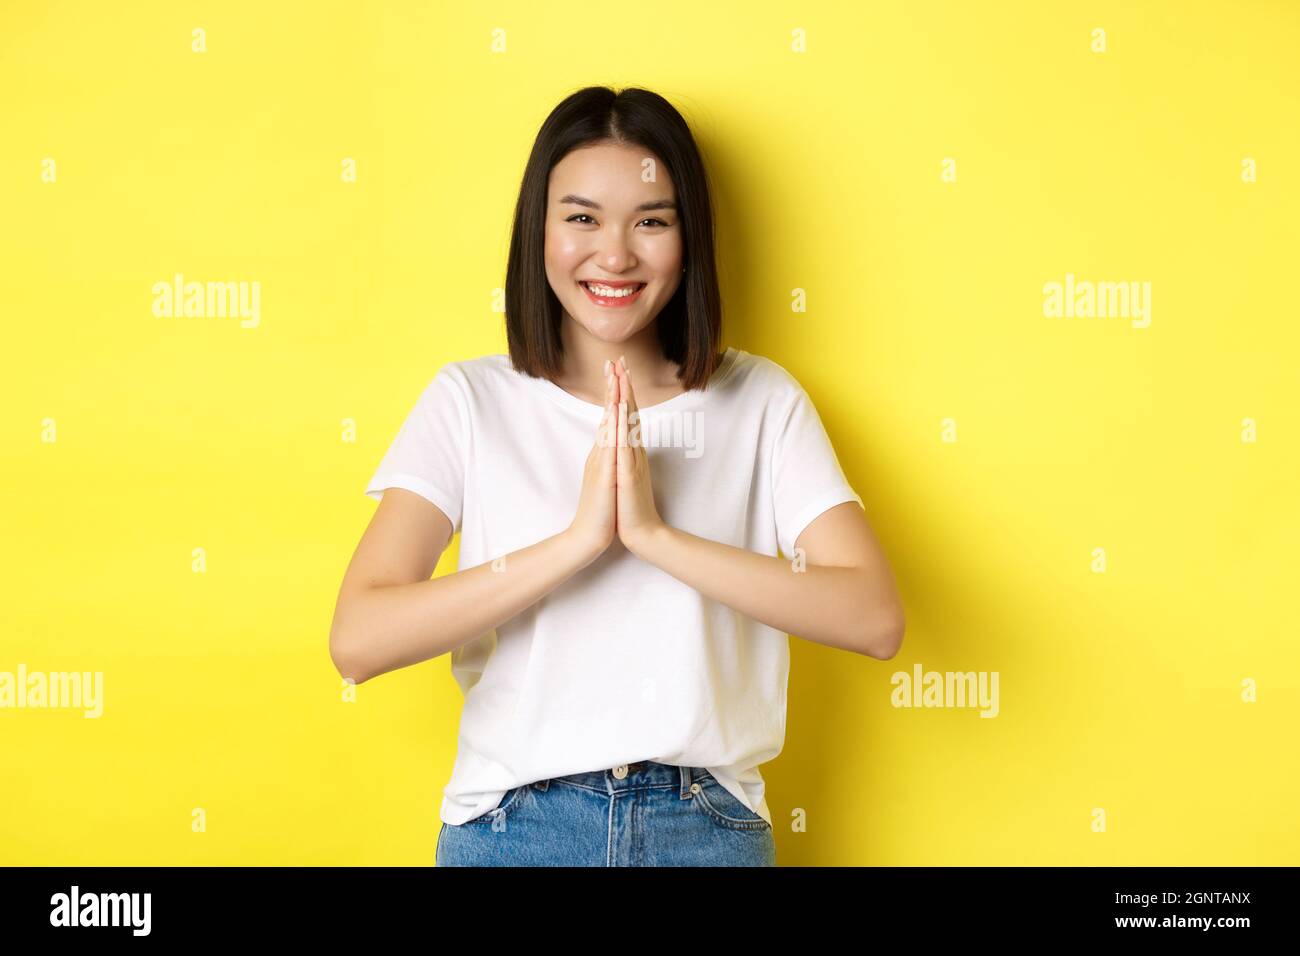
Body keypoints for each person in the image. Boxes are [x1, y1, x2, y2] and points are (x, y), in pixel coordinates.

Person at [328, 86, 905, 866]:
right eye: (581, 218)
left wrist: (656, 537)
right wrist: (577, 543)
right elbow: (359, 640)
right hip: (515, 829)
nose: (615, 255)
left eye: (652, 221)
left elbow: (873, 618)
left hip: (704, 827)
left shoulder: (760, 400)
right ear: (539, 232)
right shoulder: (471, 399)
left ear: (688, 236)